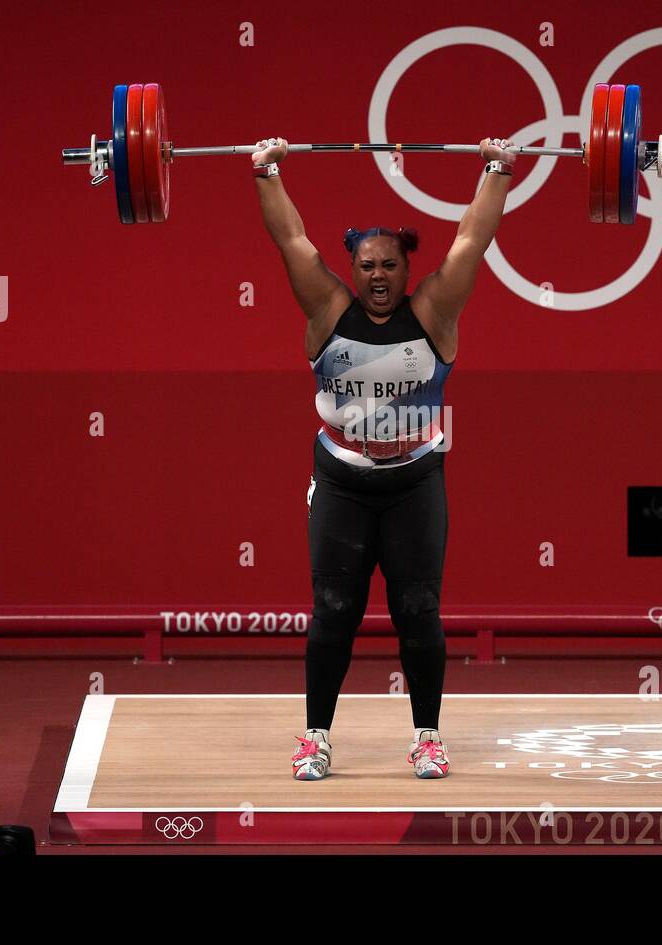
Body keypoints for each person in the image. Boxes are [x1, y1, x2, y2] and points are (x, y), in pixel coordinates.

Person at [252, 134, 516, 779]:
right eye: (367, 265)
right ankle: (315, 737)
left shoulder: (434, 311)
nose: (377, 276)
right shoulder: (325, 309)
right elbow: (291, 240)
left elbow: (470, 241)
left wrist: (497, 169)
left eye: (390, 266)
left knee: (418, 610)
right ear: (353, 267)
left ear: (405, 270)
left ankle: (427, 737)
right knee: (334, 611)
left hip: (414, 484)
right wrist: (266, 172)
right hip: (341, 483)